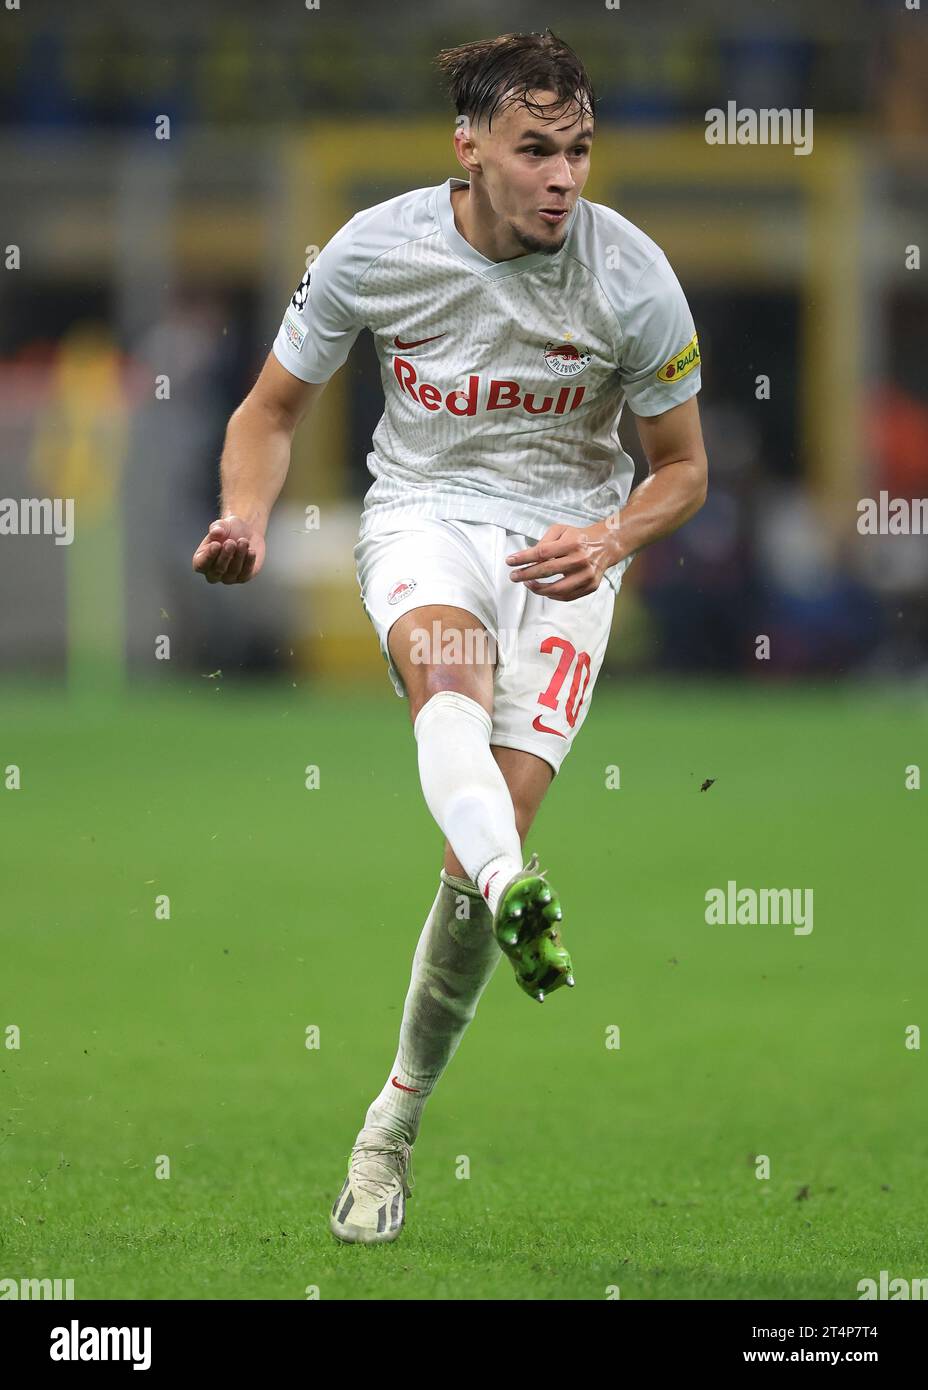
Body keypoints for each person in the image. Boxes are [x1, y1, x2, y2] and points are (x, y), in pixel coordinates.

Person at [192, 28, 708, 1246]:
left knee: (495, 813)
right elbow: (269, 411)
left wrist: (616, 535)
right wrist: (245, 514)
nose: (564, 178)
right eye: (537, 150)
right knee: (447, 682)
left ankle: (392, 1119)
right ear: (468, 149)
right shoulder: (376, 249)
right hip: (424, 517)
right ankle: (510, 886)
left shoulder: (631, 277)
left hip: (568, 550)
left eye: (579, 150)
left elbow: (683, 470)